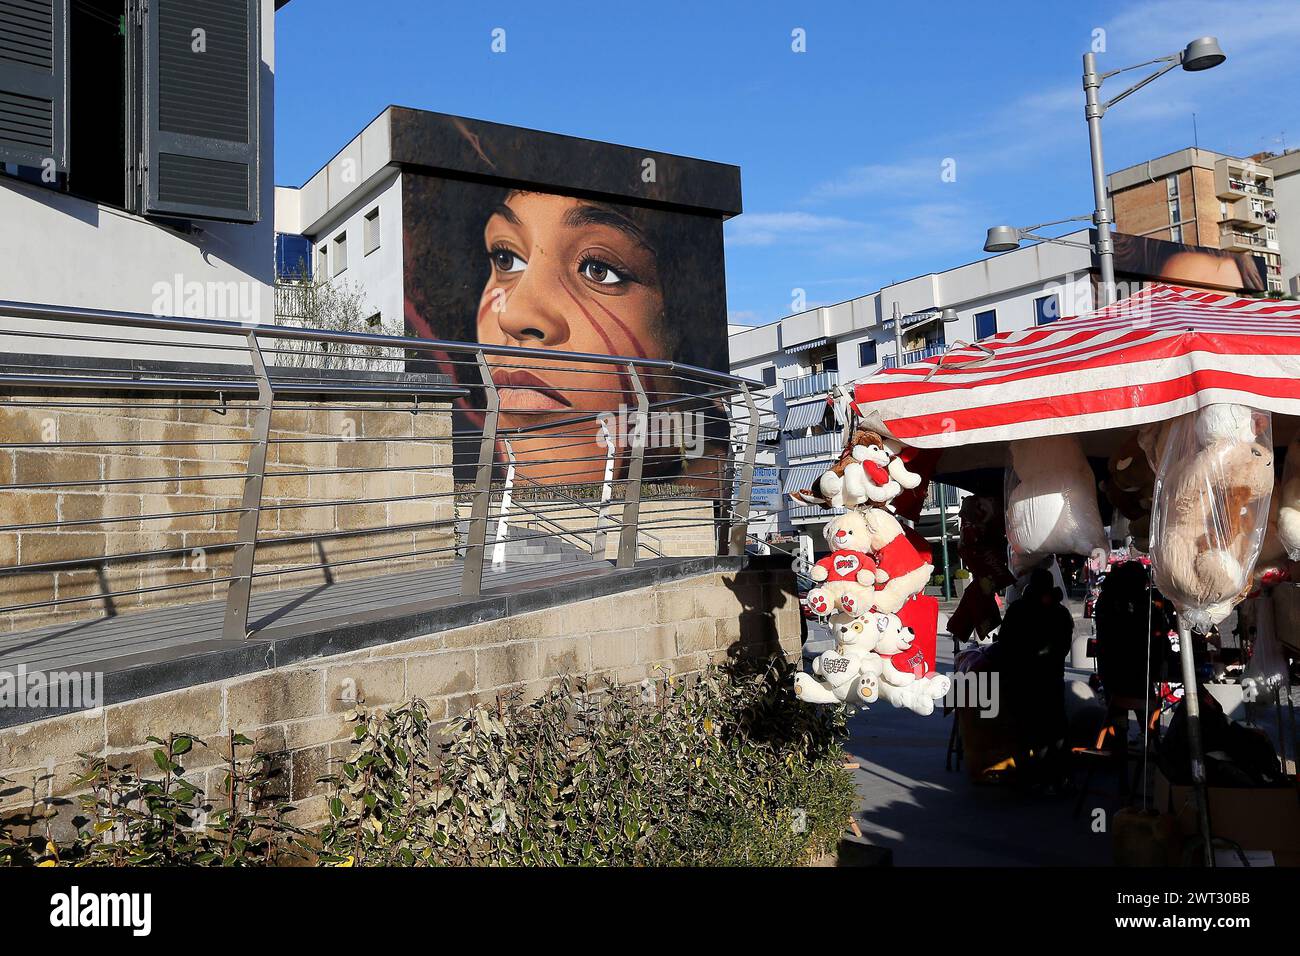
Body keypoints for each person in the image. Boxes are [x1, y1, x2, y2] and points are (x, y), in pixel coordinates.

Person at [995, 567, 1074, 788]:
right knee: (1054, 728)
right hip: (1050, 679)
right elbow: (1063, 646)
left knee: (1026, 729)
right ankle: (1056, 776)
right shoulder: (1059, 612)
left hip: (1023, 680)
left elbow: (1005, 642)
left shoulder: (1018, 609)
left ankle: (1028, 776)